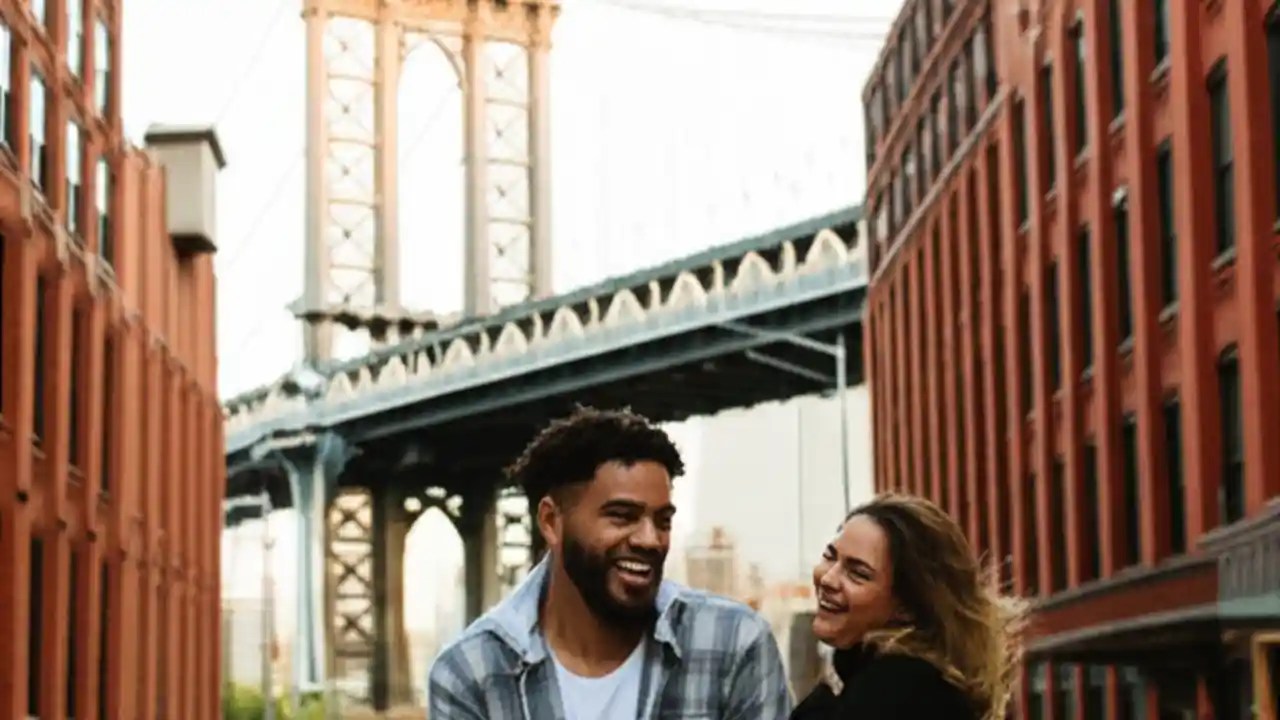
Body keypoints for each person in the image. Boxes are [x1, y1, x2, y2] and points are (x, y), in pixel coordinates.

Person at [428, 406, 793, 719]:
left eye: (663, 521)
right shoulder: (471, 673)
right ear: (551, 522)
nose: (650, 539)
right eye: (622, 516)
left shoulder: (734, 644)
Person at [790, 493, 1026, 720]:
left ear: (908, 606)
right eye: (829, 556)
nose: (828, 579)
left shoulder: (895, 690)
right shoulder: (899, 680)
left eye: (857, 573)